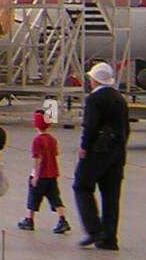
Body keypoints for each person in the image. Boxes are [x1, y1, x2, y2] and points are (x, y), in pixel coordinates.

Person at [74, 62, 130, 250]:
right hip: (117, 152)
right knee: (111, 195)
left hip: (98, 150)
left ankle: (94, 229)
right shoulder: (119, 99)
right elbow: (126, 128)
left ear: (95, 80)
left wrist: (84, 147)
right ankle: (109, 237)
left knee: (82, 186)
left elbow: (90, 126)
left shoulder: (94, 100)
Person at [19, 111, 71, 233]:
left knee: (33, 197)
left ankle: (29, 219)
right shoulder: (53, 140)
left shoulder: (37, 141)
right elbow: (55, 154)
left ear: (36, 125)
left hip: (40, 174)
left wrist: (35, 176)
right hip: (52, 174)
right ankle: (62, 219)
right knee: (55, 198)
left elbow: (37, 159)